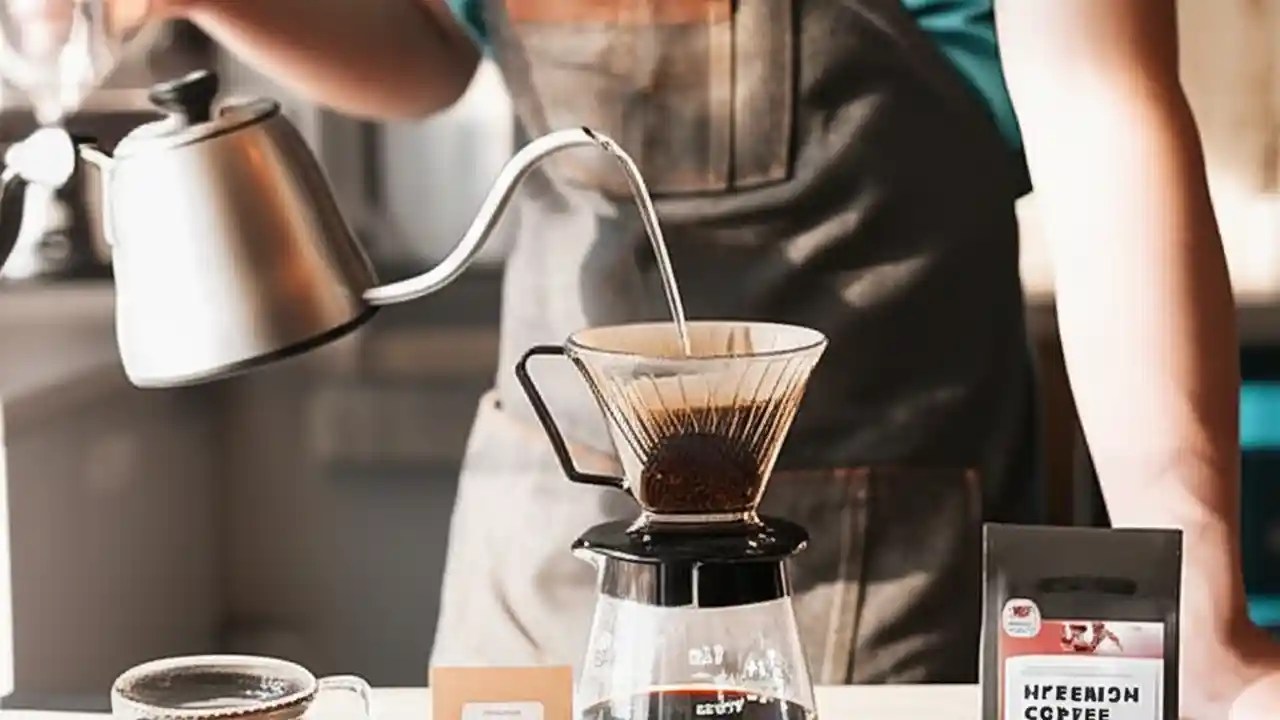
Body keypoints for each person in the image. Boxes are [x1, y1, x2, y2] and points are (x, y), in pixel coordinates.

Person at [132, 0, 1280, 716]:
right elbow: (435, 54)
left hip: (877, 557)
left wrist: (1206, 620)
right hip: (542, 538)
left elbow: (1101, 121)